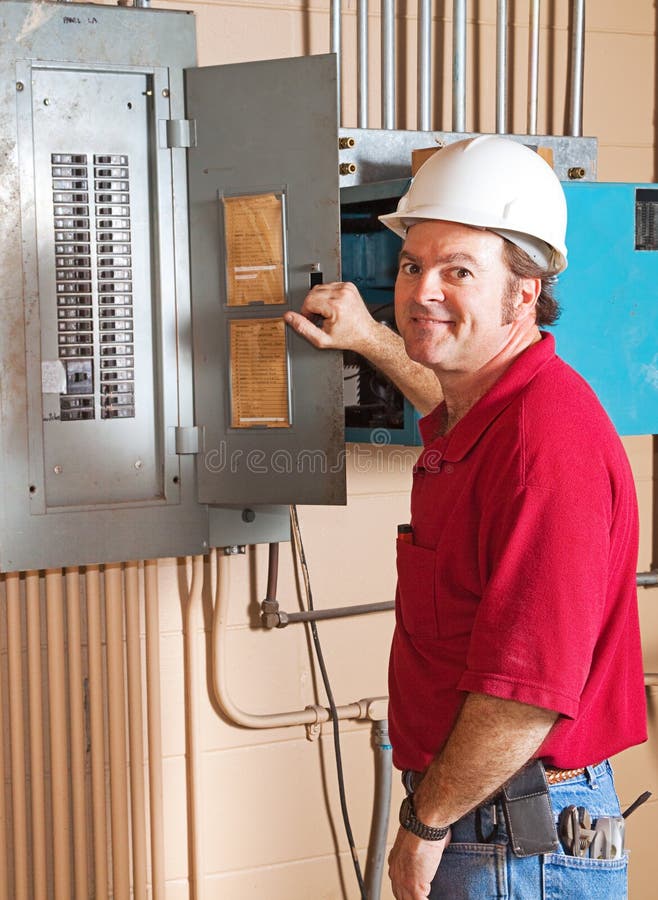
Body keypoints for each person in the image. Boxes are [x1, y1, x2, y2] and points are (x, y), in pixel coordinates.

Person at [285, 135, 647, 900]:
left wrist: (422, 826)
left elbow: (527, 694)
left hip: (507, 835)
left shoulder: (548, 444)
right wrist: (367, 338)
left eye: (459, 272)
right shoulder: (493, 408)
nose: (422, 291)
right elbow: (446, 398)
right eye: (414, 265)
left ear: (525, 291)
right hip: (489, 819)